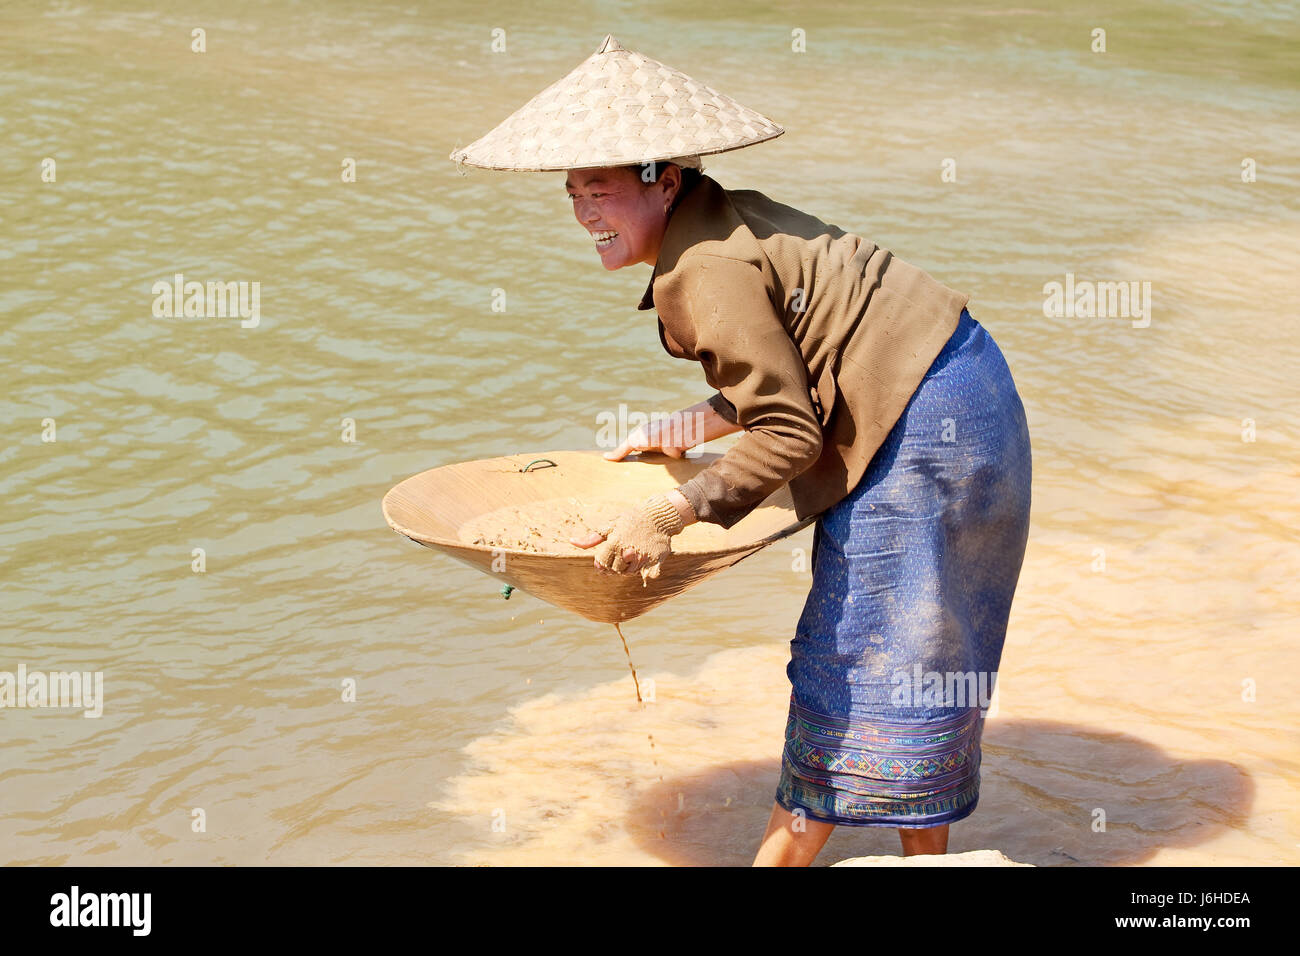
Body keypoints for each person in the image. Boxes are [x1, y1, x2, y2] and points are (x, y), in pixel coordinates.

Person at [451, 35, 1032, 867]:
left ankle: (782, 861)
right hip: (969, 387)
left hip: (923, 423)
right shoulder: (725, 219)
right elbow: (815, 361)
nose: (585, 213)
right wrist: (688, 427)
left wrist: (670, 510)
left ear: (667, 180)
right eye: (574, 192)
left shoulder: (705, 267)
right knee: (919, 644)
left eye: (604, 190)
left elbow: (791, 430)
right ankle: (925, 863)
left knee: (858, 642)